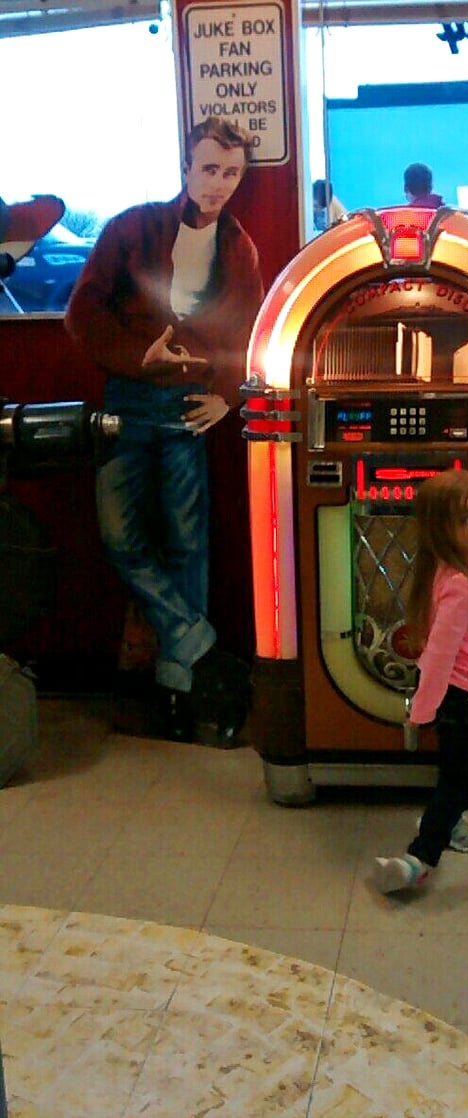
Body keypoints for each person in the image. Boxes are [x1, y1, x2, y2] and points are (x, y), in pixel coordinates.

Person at [65, 116, 264, 743]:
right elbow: (82, 311)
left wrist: (226, 397)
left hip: (187, 407)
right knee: (119, 538)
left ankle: (181, 691)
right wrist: (137, 355)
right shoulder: (132, 227)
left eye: (231, 173)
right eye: (209, 169)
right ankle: (201, 648)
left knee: (187, 547)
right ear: (186, 168)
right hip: (127, 400)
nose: (219, 183)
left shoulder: (240, 248)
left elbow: (248, 331)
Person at [373, 469, 468, 894]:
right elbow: (439, 656)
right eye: (467, 519)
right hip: (459, 699)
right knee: (459, 778)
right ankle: (419, 858)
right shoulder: (461, 585)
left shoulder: (467, 566)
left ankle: (446, 819)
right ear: (442, 532)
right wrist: (422, 710)